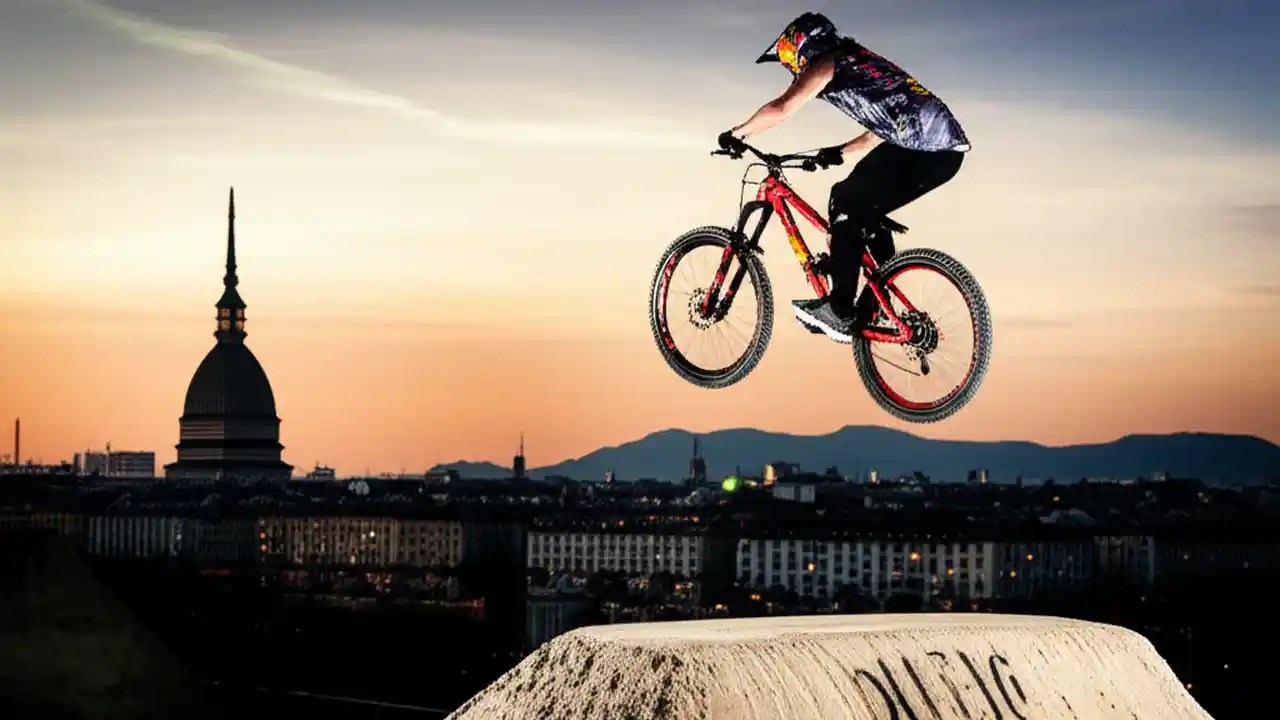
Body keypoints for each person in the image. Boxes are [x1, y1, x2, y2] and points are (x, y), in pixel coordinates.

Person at [718, 12, 970, 343]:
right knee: (862, 211)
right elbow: (882, 127)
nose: (791, 69)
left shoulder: (828, 62)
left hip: (922, 147)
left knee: (845, 200)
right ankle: (875, 301)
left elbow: (782, 108)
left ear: (800, 47)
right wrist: (838, 151)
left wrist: (737, 134)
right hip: (942, 153)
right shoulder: (860, 62)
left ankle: (838, 310)